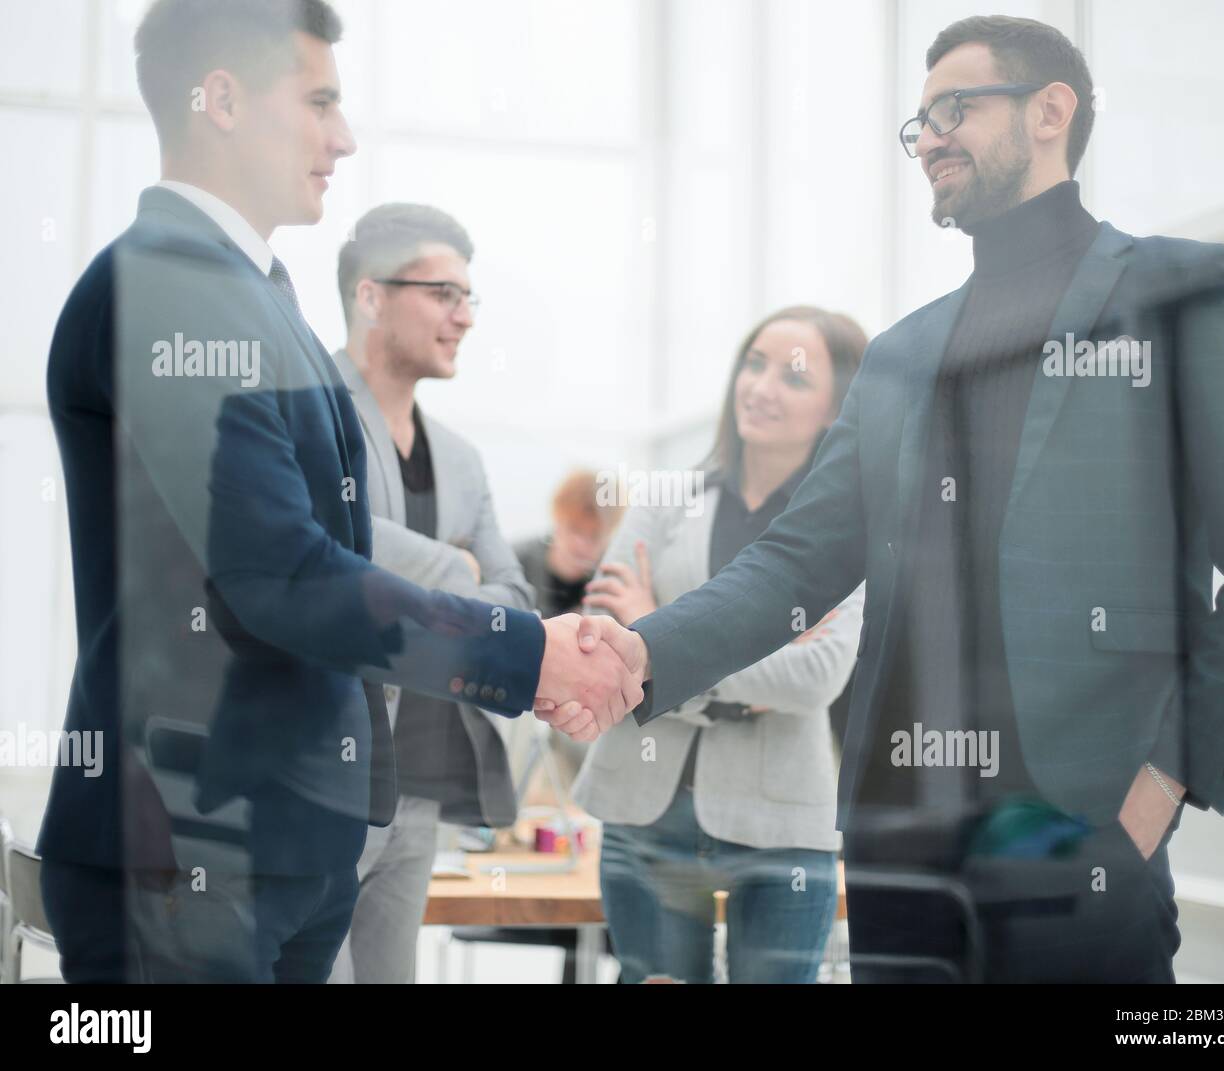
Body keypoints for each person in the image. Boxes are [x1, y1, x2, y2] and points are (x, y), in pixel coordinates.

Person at [559, 14, 1224, 983]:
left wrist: (1168, 776)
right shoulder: (902, 356)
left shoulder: (1177, 289)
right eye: (918, 124)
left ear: (1051, 111)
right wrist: (643, 652)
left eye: (955, 107)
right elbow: (796, 560)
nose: (930, 139)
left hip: (1082, 825)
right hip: (899, 833)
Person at [39, 0, 636, 983]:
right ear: (220, 100)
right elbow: (281, 572)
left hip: (280, 844)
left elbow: (339, 552)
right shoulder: (173, 288)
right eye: (318, 101)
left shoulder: (257, 292)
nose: (343, 136)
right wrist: (525, 653)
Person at [573, 307, 868, 983]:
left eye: (793, 376)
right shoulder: (665, 501)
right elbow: (607, 652)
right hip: (644, 806)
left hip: (784, 820)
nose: (760, 386)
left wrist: (661, 631)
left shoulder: (846, 523)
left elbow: (817, 677)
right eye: (754, 362)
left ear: (837, 406)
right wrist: (747, 668)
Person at [325, 202, 535, 983]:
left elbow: (513, 599)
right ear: (371, 295)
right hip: (324, 770)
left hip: (418, 781)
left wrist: (444, 582)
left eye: (470, 297)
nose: (465, 317)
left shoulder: (462, 459)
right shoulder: (310, 412)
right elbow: (335, 549)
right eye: (444, 294)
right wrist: (457, 570)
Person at [516, 471, 624, 618]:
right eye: (574, 529)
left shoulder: (615, 582)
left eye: (594, 536)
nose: (581, 545)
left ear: (609, 534)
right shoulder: (513, 564)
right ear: (557, 518)